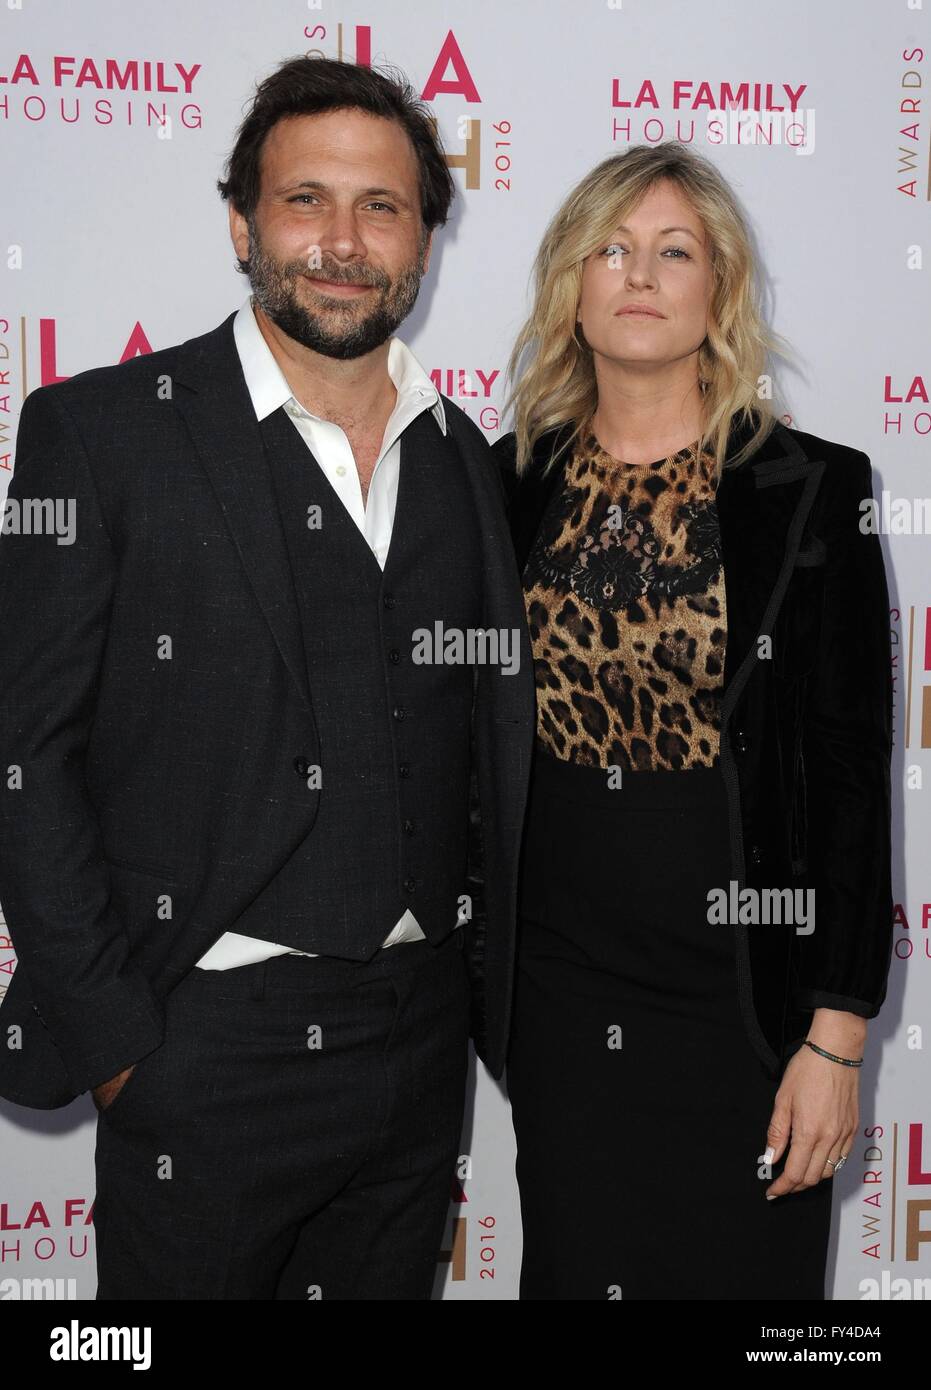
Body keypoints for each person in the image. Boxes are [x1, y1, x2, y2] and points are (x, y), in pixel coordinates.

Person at [0, 56, 535, 1300]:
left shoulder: (464, 459)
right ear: (243, 222)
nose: (343, 243)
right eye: (307, 202)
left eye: (382, 207)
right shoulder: (106, 433)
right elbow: (25, 756)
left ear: (425, 240)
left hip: (415, 1039)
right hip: (201, 1046)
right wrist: (126, 1042)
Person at [492, 141, 894, 1300]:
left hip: (747, 997)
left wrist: (835, 1037)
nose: (639, 274)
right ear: (571, 279)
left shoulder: (810, 486)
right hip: (562, 997)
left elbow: (850, 771)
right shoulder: (500, 480)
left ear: (719, 289)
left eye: (675, 252)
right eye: (610, 248)